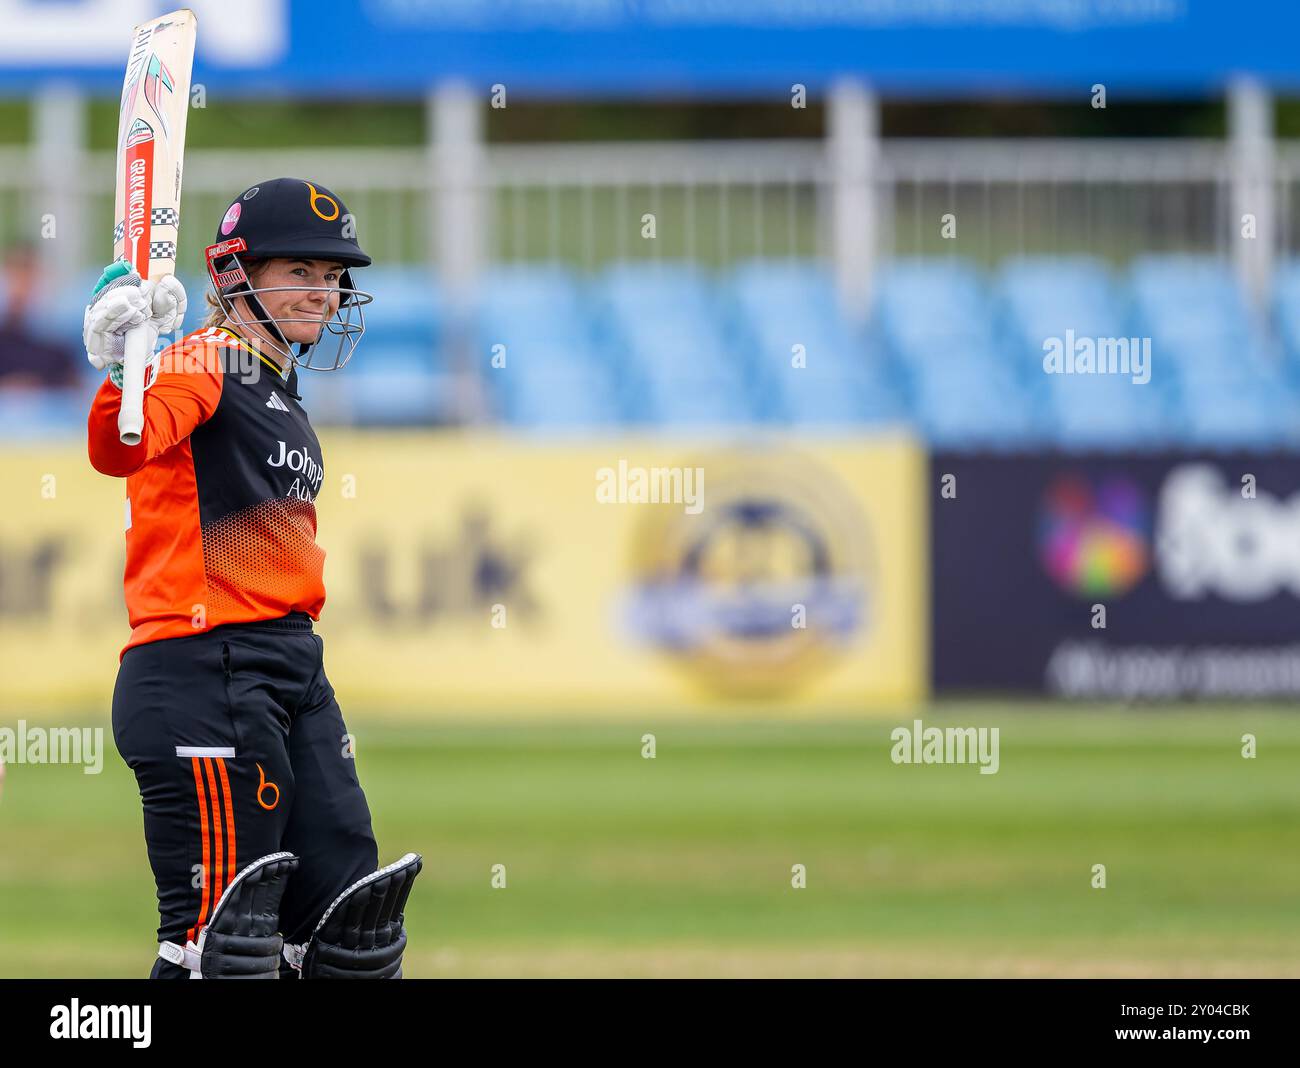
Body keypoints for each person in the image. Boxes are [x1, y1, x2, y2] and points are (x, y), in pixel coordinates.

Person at [85, 178, 421, 979]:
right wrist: (119, 368)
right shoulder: (203, 361)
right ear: (237, 277)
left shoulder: (279, 389)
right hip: (204, 666)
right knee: (222, 951)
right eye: (299, 271)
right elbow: (119, 446)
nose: (325, 291)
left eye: (332, 275)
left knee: (348, 945)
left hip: (292, 666)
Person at [0, 244, 81, 391]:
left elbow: (78, 393)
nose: (22, 285)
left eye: (29, 276)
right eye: (15, 275)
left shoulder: (58, 351)